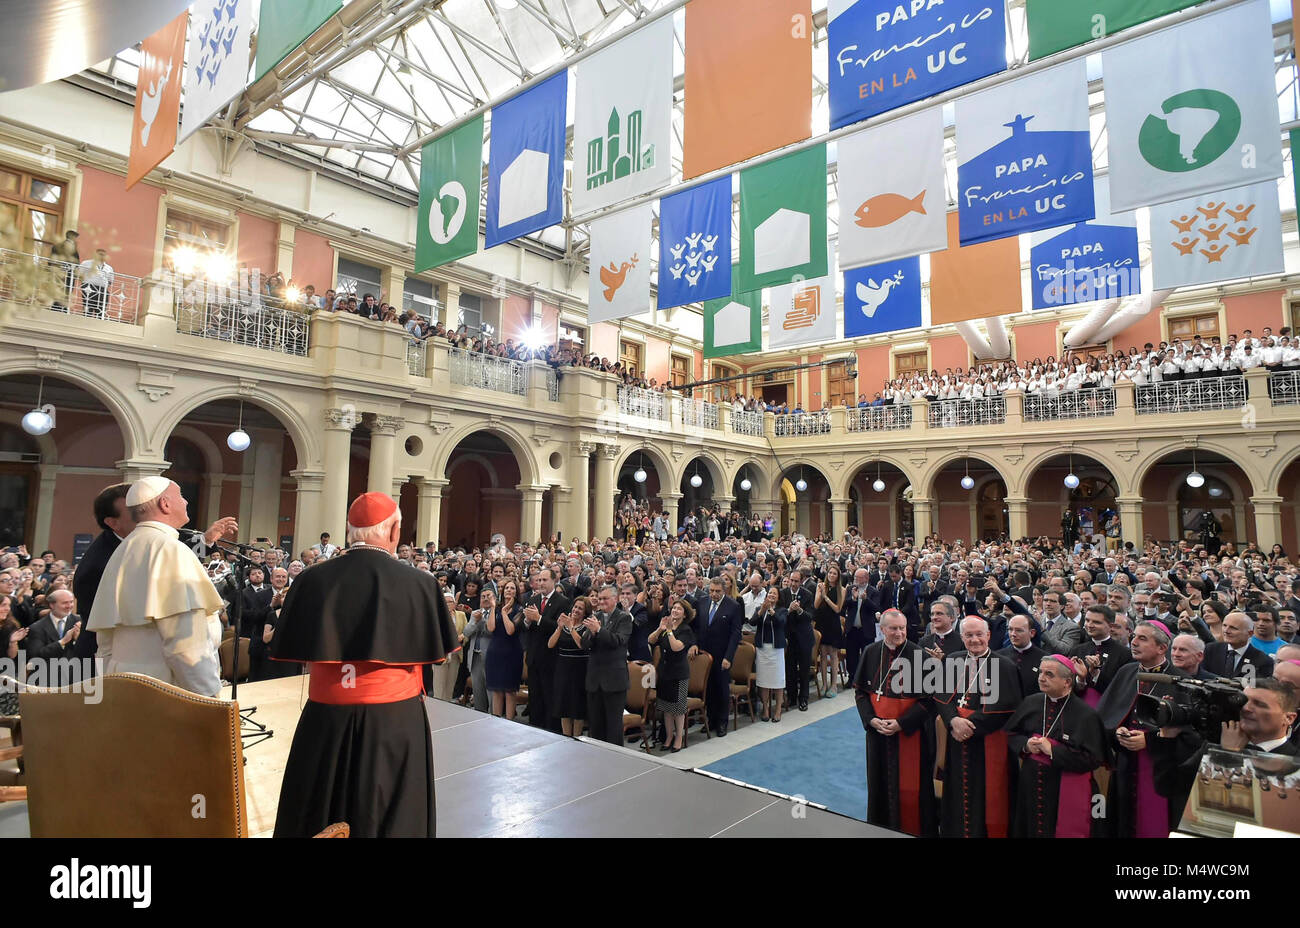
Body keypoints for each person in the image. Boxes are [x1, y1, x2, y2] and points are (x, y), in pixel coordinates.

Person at [269, 492, 460, 838]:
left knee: (317, 810)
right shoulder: (420, 584)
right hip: (393, 723)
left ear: (348, 530)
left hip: (325, 719)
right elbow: (440, 652)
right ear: (394, 531)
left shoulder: (311, 580)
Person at [87, 477, 226, 696]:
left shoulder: (123, 550)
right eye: (180, 495)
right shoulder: (170, 549)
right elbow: (186, 645)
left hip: (126, 689)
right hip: (167, 690)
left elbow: (105, 643)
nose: (186, 502)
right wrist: (211, 698)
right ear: (165, 504)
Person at [1096, 620, 1203, 838]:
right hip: (1125, 763)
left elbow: (1195, 735)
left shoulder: (1182, 682)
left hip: (1161, 767)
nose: (1133, 642)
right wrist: (1116, 733)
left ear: (1162, 648)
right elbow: (1106, 715)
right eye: (1133, 636)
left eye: (1142, 639)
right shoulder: (1126, 672)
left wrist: (1151, 740)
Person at [934, 616, 1022, 838]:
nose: (974, 640)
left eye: (979, 634)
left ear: (988, 636)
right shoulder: (953, 660)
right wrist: (954, 721)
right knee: (957, 794)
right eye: (969, 635)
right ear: (961, 637)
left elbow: (1007, 706)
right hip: (956, 741)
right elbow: (942, 696)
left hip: (988, 743)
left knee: (987, 796)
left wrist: (969, 726)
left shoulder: (1004, 665)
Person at [854, 608, 936, 837]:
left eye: (902, 628)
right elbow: (861, 692)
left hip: (910, 735)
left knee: (911, 791)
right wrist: (871, 720)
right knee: (879, 785)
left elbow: (930, 702)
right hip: (877, 733)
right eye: (894, 628)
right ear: (882, 630)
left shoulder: (920, 656)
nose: (899, 633)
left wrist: (902, 723)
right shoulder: (871, 652)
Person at [1005, 654, 1108, 838]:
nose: (1041, 678)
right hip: (1030, 786)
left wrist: (1053, 750)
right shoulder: (1031, 702)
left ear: (1067, 682)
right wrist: (1026, 745)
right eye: (1041, 672)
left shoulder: (1086, 715)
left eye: (1049, 674)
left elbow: (1093, 759)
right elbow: (1011, 734)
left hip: (1062, 789)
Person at [581, 585, 632, 745]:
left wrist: (599, 630)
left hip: (614, 680)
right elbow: (584, 644)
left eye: (605, 598)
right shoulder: (594, 616)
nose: (601, 601)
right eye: (600, 598)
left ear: (615, 599)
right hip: (595, 679)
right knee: (595, 725)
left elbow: (618, 641)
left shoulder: (623, 618)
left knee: (613, 726)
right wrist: (593, 632)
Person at [520, 567, 568, 732]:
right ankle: (534, 730)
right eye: (539, 580)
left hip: (551, 658)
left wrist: (539, 619)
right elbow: (525, 627)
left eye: (544, 580)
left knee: (549, 697)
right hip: (533, 657)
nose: (540, 583)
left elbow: (559, 627)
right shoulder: (532, 600)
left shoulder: (562, 601)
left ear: (554, 581)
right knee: (535, 698)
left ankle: (550, 732)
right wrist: (527, 620)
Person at [695, 576, 744, 736]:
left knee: (722, 689)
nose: (714, 594)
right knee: (708, 689)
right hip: (704, 655)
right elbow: (697, 627)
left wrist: (728, 657)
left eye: (717, 591)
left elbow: (735, 634)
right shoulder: (702, 601)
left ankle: (722, 721)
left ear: (724, 590)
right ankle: (711, 719)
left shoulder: (733, 606)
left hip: (722, 655)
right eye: (711, 591)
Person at [648, 599, 695, 752]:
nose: (675, 611)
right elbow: (650, 640)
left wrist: (668, 631)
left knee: (678, 710)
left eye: (679, 609)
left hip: (678, 674)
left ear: (684, 614)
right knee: (666, 709)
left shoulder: (685, 630)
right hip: (664, 672)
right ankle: (668, 737)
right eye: (673, 608)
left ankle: (678, 738)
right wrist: (660, 629)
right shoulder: (666, 625)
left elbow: (676, 647)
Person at [1068, 603, 1132, 706]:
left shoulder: (1125, 654)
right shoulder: (1077, 650)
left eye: (1096, 622)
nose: (1090, 625)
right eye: (1088, 620)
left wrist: (1096, 674)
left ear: (1110, 626)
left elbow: (1121, 690)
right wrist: (1081, 679)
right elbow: (1068, 688)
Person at [1217, 679, 1299, 756]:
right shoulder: (1217, 740)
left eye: (1259, 704)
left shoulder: (1296, 761)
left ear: (1288, 718)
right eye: (1244, 700)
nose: (1246, 708)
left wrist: (1229, 754)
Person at [22, 589, 81, 684]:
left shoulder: (79, 622)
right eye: (65, 603)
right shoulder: (37, 627)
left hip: (76, 678)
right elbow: (36, 655)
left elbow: (88, 650)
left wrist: (78, 640)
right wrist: (62, 642)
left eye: (71, 602)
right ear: (52, 605)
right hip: (47, 679)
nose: (69, 606)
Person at [484, 578, 524, 719]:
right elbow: (490, 628)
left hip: (511, 653)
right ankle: (495, 720)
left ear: (516, 592)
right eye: (507, 588)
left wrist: (505, 614)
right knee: (496, 691)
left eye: (512, 588)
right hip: (495, 652)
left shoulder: (520, 609)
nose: (509, 590)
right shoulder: (498, 607)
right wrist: (494, 607)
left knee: (509, 691)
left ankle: (509, 721)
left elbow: (510, 630)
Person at [780, 569, 815, 711]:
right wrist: (789, 610)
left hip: (803, 637)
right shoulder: (783, 594)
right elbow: (779, 614)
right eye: (791, 580)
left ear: (801, 581)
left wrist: (799, 610)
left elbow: (810, 616)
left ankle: (804, 699)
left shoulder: (807, 594)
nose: (793, 584)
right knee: (790, 669)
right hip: (789, 638)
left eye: (796, 581)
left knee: (804, 670)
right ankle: (792, 697)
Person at [1203, 612, 1274, 680]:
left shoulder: (1262, 661)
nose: (1226, 631)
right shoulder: (1211, 650)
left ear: (1249, 633)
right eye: (1224, 625)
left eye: (1233, 628)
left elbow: (1256, 688)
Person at [750, 586, 786, 722]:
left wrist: (771, 610)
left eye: (774, 594)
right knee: (763, 681)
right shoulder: (760, 608)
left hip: (776, 649)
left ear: (778, 597)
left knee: (778, 680)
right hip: (762, 649)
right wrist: (762, 611)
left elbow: (780, 623)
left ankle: (777, 710)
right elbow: (752, 622)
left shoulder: (782, 610)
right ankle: (765, 708)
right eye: (770, 592)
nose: (771, 595)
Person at [813, 563, 845, 697]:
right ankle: (824, 683)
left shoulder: (841, 590)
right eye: (830, 573)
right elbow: (815, 605)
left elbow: (838, 609)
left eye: (834, 573)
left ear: (838, 576)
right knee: (823, 653)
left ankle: (833, 685)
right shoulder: (820, 586)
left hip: (833, 623)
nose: (831, 575)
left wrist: (826, 596)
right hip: (821, 622)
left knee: (833, 654)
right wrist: (821, 593)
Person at [996, 613, 1045, 698]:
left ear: (1032, 633)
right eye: (1010, 629)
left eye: (1019, 630)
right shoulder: (997, 656)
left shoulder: (1044, 659)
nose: (1013, 634)